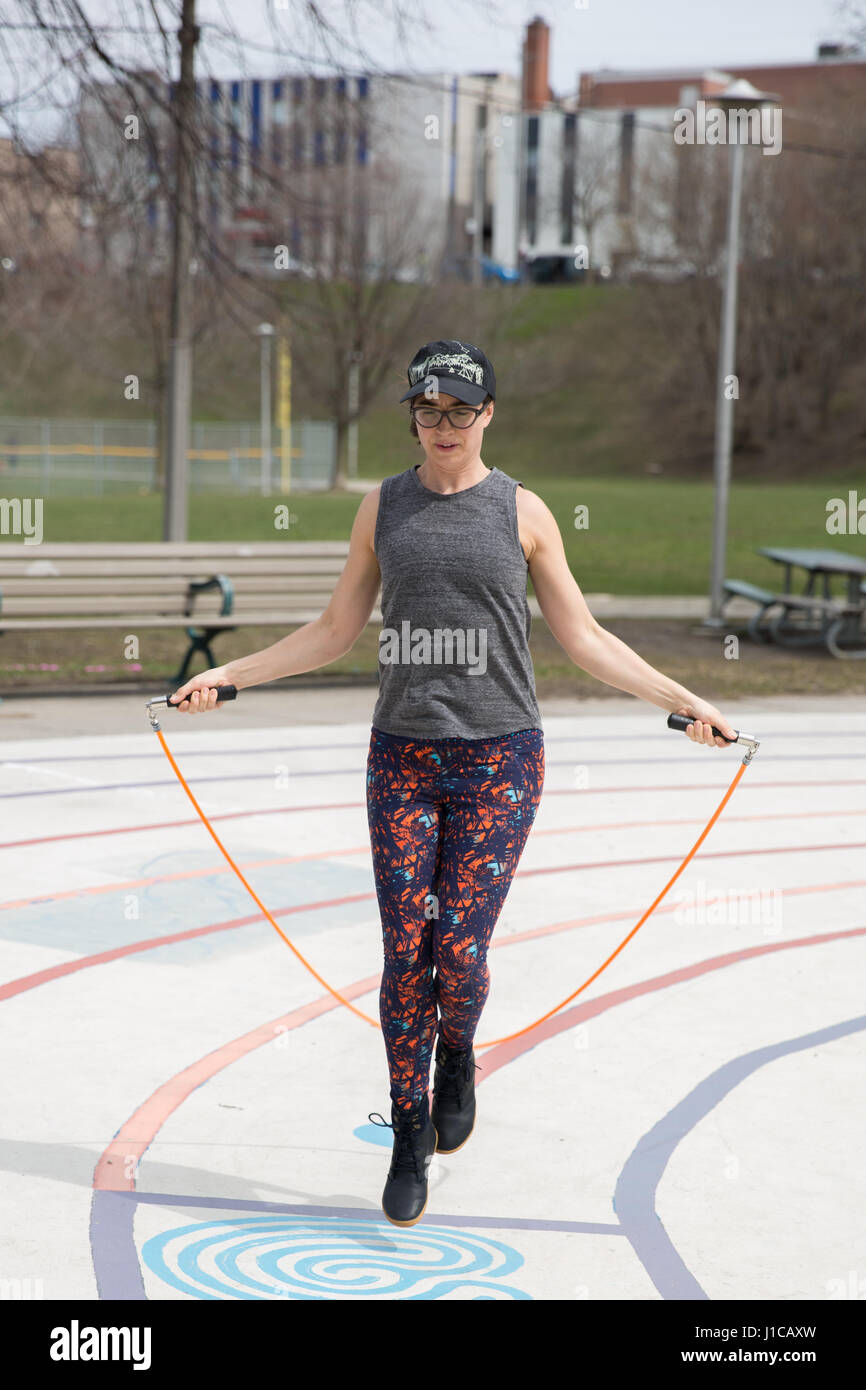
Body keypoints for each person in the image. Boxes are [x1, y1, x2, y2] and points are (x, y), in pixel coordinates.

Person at [170, 337, 738, 1229]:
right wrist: (230, 674)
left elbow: (585, 639)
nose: (442, 427)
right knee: (406, 952)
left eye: (459, 411)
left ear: (487, 415)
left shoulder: (524, 512)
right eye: (427, 411)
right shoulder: (382, 509)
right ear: (414, 415)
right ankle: (406, 1131)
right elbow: (332, 630)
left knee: (458, 954)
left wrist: (685, 698)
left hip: (499, 760)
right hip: (400, 758)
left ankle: (458, 1052)